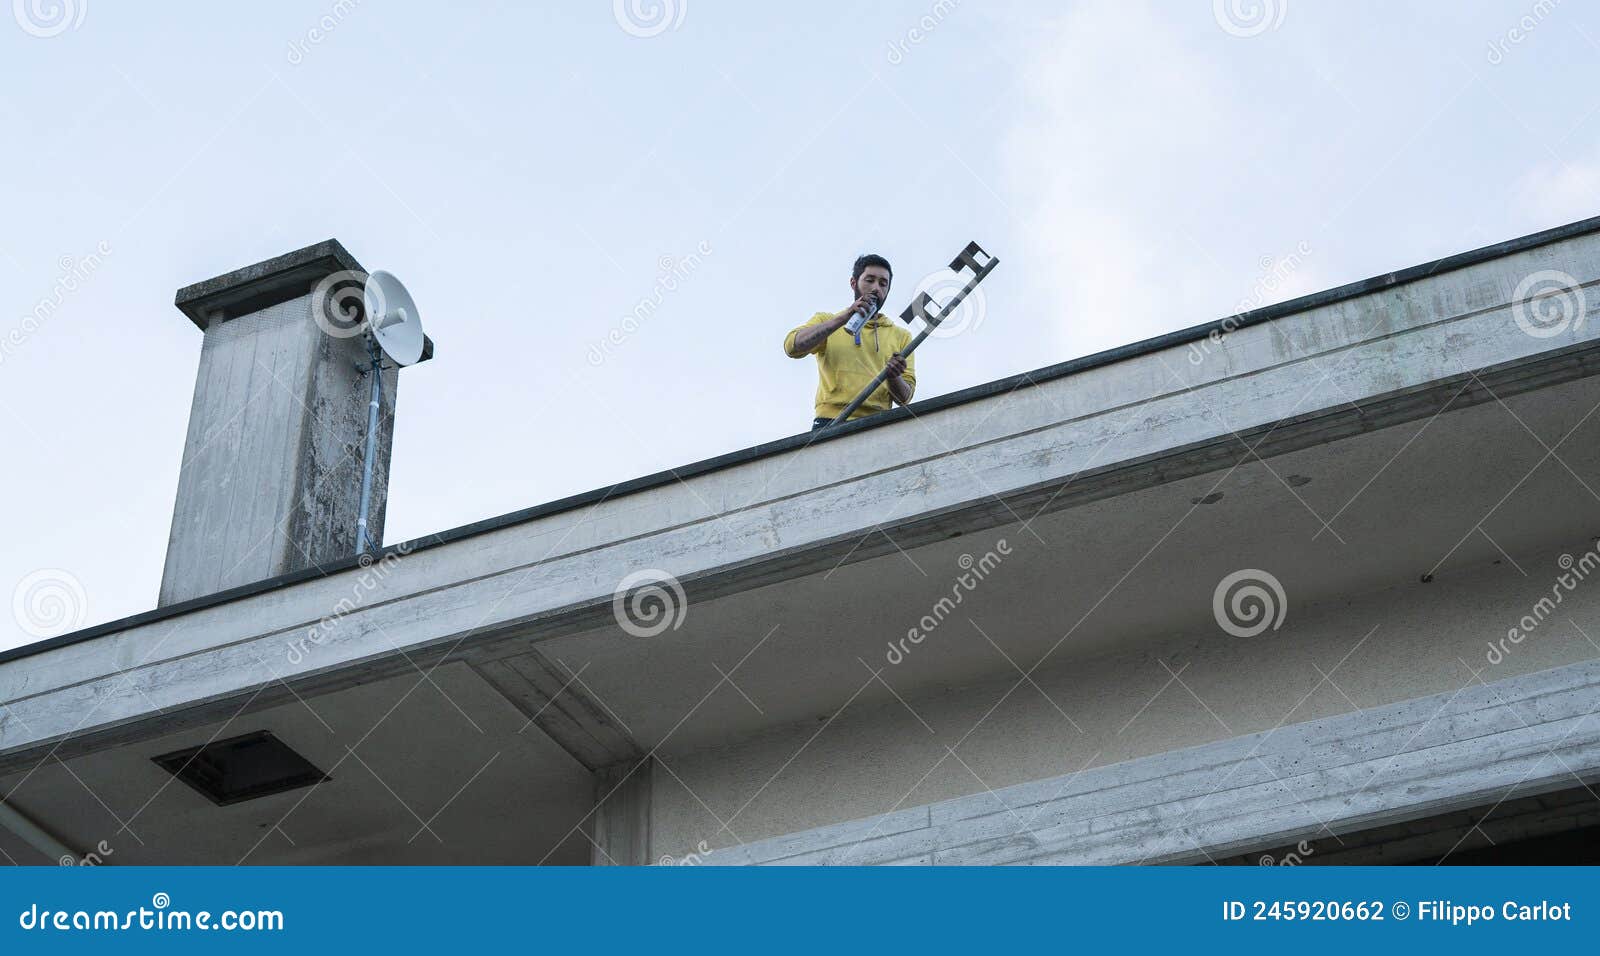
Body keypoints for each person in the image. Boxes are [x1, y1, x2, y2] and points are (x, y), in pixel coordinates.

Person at [783, 253, 916, 430]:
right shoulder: (827, 320)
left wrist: (894, 376)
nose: (876, 288)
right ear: (854, 283)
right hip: (830, 421)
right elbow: (792, 346)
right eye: (870, 280)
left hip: (879, 424)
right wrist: (845, 317)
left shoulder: (901, 336)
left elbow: (905, 398)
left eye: (883, 283)